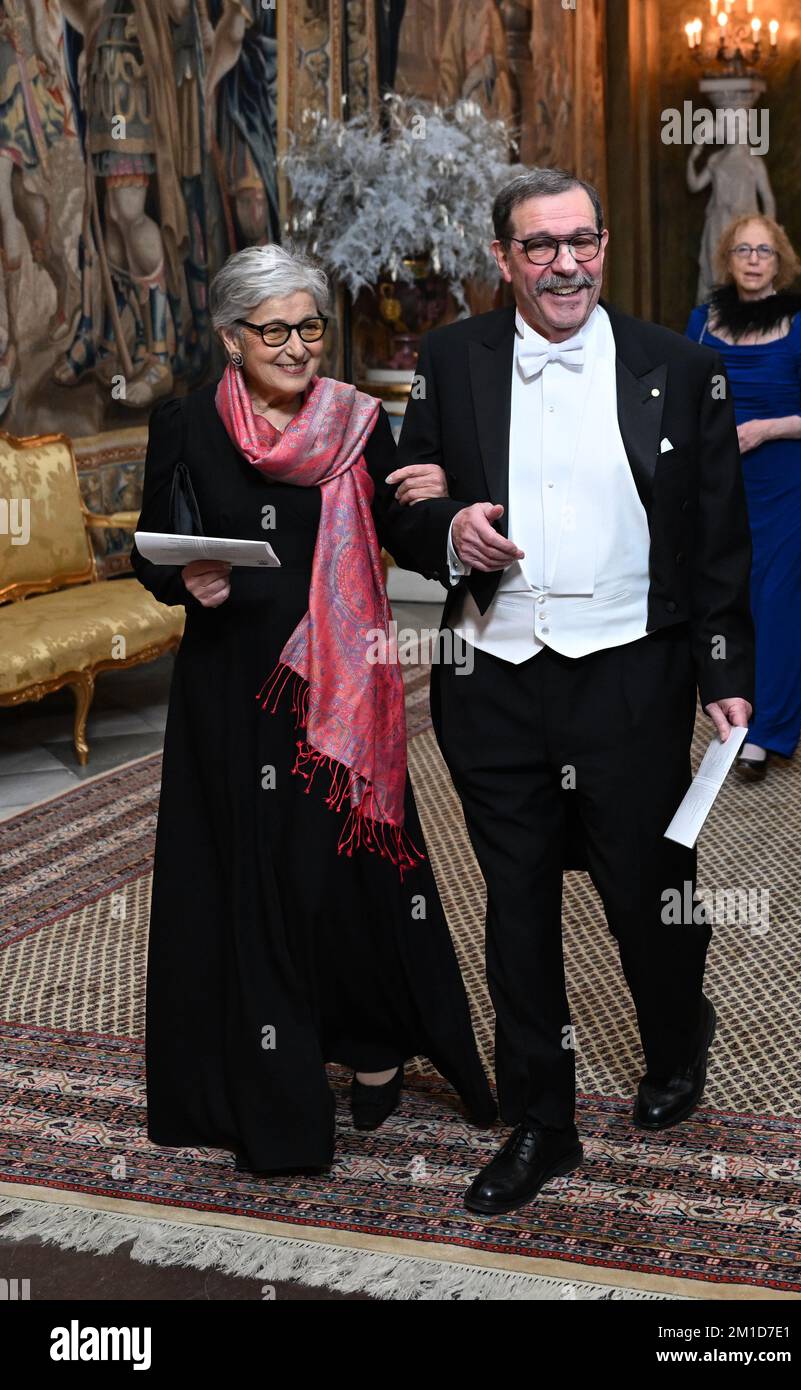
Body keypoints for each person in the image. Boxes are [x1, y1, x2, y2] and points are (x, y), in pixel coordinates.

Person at [386, 168, 755, 1215]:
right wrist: (450, 528)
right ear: (503, 258)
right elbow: (406, 500)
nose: (564, 263)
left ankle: (677, 1031)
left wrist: (727, 676)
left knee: (644, 892)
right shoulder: (451, 361)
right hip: (494, 678)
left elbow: (718, 537)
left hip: (633, 674)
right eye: (539, 246)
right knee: (517, 905)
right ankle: (542, 1123)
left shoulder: (679, 367)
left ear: (602, 246)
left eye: (580, 241)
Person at [130, 242, 495, 1175]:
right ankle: (272, 1096)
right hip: (226, 694)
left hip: (337, 698)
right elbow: (150, 550)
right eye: (275, 330)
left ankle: (373, 1046)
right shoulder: (186, 425)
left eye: (309, 327)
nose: (297, 347)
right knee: (246, 880)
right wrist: (185, 578)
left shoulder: (359, 421)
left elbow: (404, 528)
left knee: (335, 881)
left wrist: (449, 526)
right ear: (229, 337)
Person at [687, 214, 801, 780]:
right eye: (744, 249)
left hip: (785, 484)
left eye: (765, 252)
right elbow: (682, 395)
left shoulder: (800, 326)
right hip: (720, 482)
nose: (753, 259)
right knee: (728, 601)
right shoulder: (703, 322)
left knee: (779, 604)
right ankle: (732, 716)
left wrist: (764, 429)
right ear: (728, 258)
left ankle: (768, 733)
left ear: (781, 262)